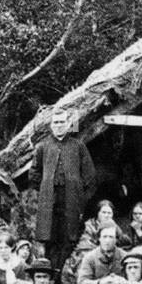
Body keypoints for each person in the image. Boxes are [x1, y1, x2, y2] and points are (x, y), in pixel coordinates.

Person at [33, 108, 95, 267]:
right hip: (50, 200)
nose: (59, 125)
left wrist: (82, 197)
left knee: (69, 237)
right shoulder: (42, 147)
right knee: (50, 236)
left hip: (71, 199)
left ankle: (64, 273)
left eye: (62, 122)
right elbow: (34, 173)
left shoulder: (78, 146)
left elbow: (89, 175)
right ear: (51, 125)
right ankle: (50, 273)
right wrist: (44, 190)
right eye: (56, 122)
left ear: (68, 124)